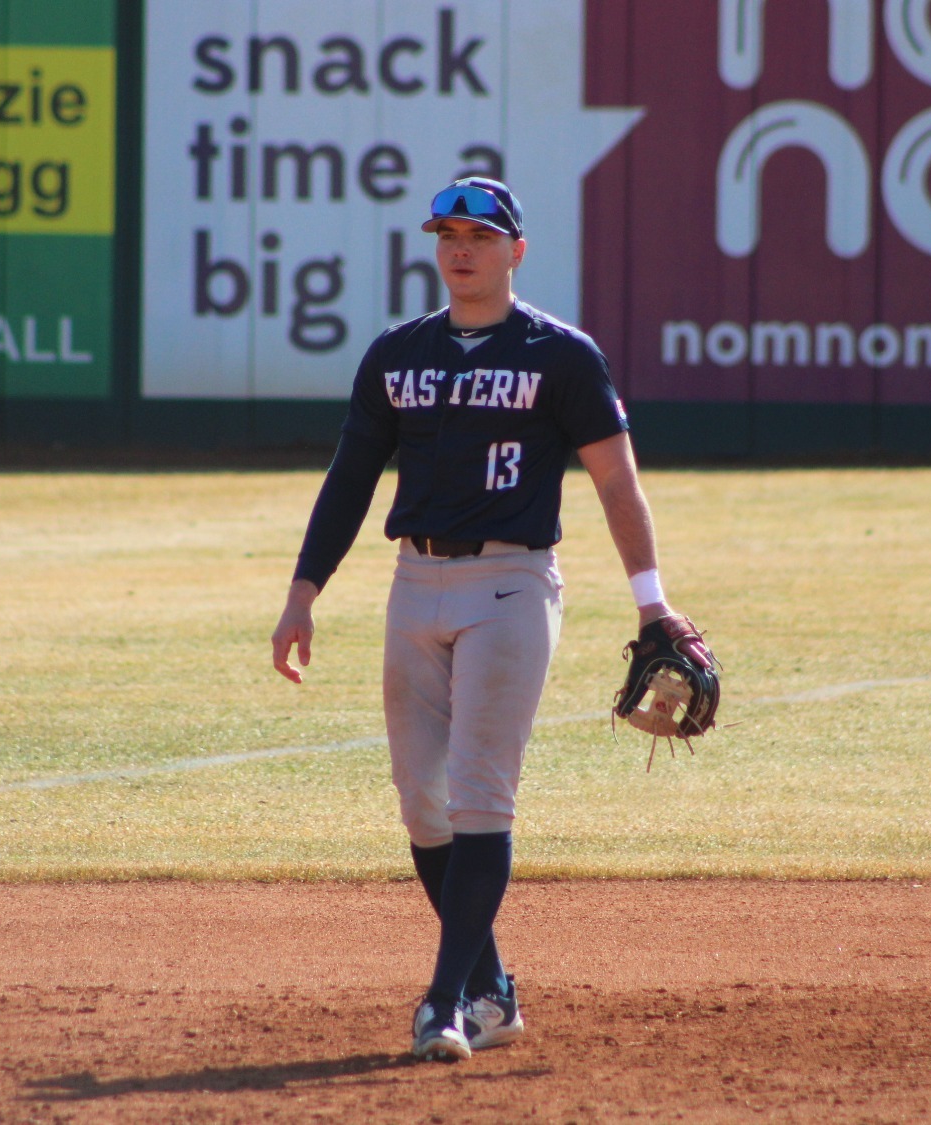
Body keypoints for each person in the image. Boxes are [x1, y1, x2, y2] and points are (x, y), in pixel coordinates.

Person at [270, 177, 699, 1062]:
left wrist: (652, 599)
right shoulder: (397, 354)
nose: (461, 248)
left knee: (478, 796)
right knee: (423, 803)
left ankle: (442, 1004)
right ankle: (493, 989)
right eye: (448, 234)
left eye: (480, 234)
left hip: (511, 585)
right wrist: (304, 589)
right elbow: (351, 476)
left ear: (516, 250)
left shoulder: (562, 355)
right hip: (413, 581)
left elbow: (616, 481)